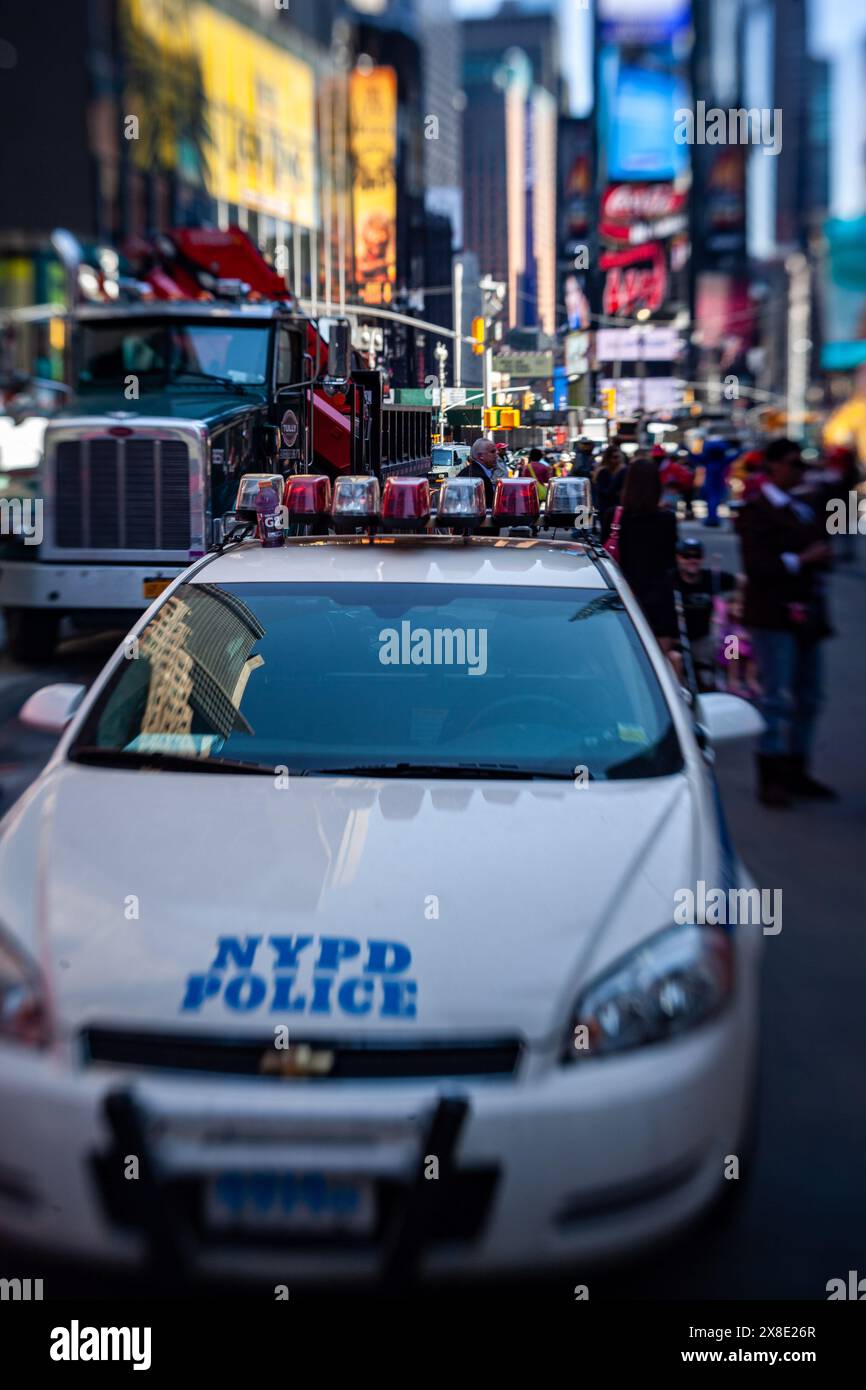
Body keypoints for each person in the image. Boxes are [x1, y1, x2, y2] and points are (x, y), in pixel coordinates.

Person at [735, 437, 835, 808]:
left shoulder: (805, 506)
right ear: (773, 467)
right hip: (772, 616)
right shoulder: (755, 511)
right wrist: (802, 559)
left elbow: (827, 538)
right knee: (775, 696)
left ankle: (798, 768)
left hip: (807, 615)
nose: (800, 471)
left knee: (809, 695)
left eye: (803, 465)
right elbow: (757, 567)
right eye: (794, 464)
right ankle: (772, 776)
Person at [617, 456, 678, 656]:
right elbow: (670, 559)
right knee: (662, 658)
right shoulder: (667, 519)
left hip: (623, 592)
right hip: (659, 594)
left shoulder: (616, 517)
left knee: (627, 654)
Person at [674, 537, 737, 686]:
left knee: (733, 640)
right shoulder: (670, 578)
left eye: (696, 556)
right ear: (678, 557)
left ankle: (731, 682)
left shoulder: (712, 577)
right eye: (686, 556)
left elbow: (741, 582)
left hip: (705, 638)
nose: (692, 560)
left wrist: (733, 607)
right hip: (678, 638)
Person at [695, 436, 736, 527]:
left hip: (711, 483)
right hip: (717, 483)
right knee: (714, 500)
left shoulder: (709, 461)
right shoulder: (721, 461)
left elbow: (695, 457)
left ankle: (712, 518)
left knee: (712, 501)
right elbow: (733, 457)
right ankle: (713, 518)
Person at [594, 443, 626, 540]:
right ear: (608, 458)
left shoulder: (624, 471)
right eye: (614, 457)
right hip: (606, 509)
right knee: (606, 535)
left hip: (620, 508)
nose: (617, 460)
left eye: (619, 457)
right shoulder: (603, 472)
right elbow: (604, 492)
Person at [458, 436, 500, 507]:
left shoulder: (467, 471)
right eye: (492, 452)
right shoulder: (481, 479)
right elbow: (488, 508)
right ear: (481, 456)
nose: (496, 455)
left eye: (496, 452)